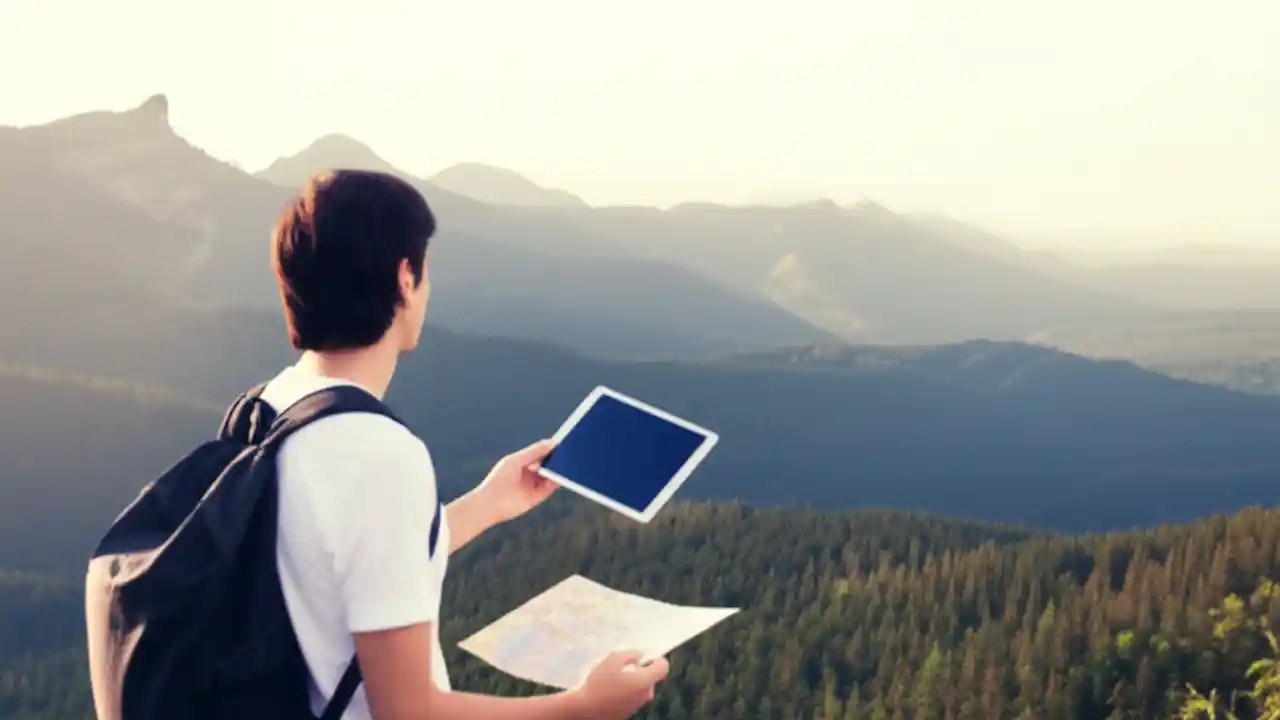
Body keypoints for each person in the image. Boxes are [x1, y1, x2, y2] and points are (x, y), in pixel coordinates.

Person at [265, 169, 668, 719]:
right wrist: (584, 706)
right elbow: (408, 712)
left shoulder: (271, 408)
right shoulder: (379, 454)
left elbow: (342, 558)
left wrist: (488, 503)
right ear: (405, 278)